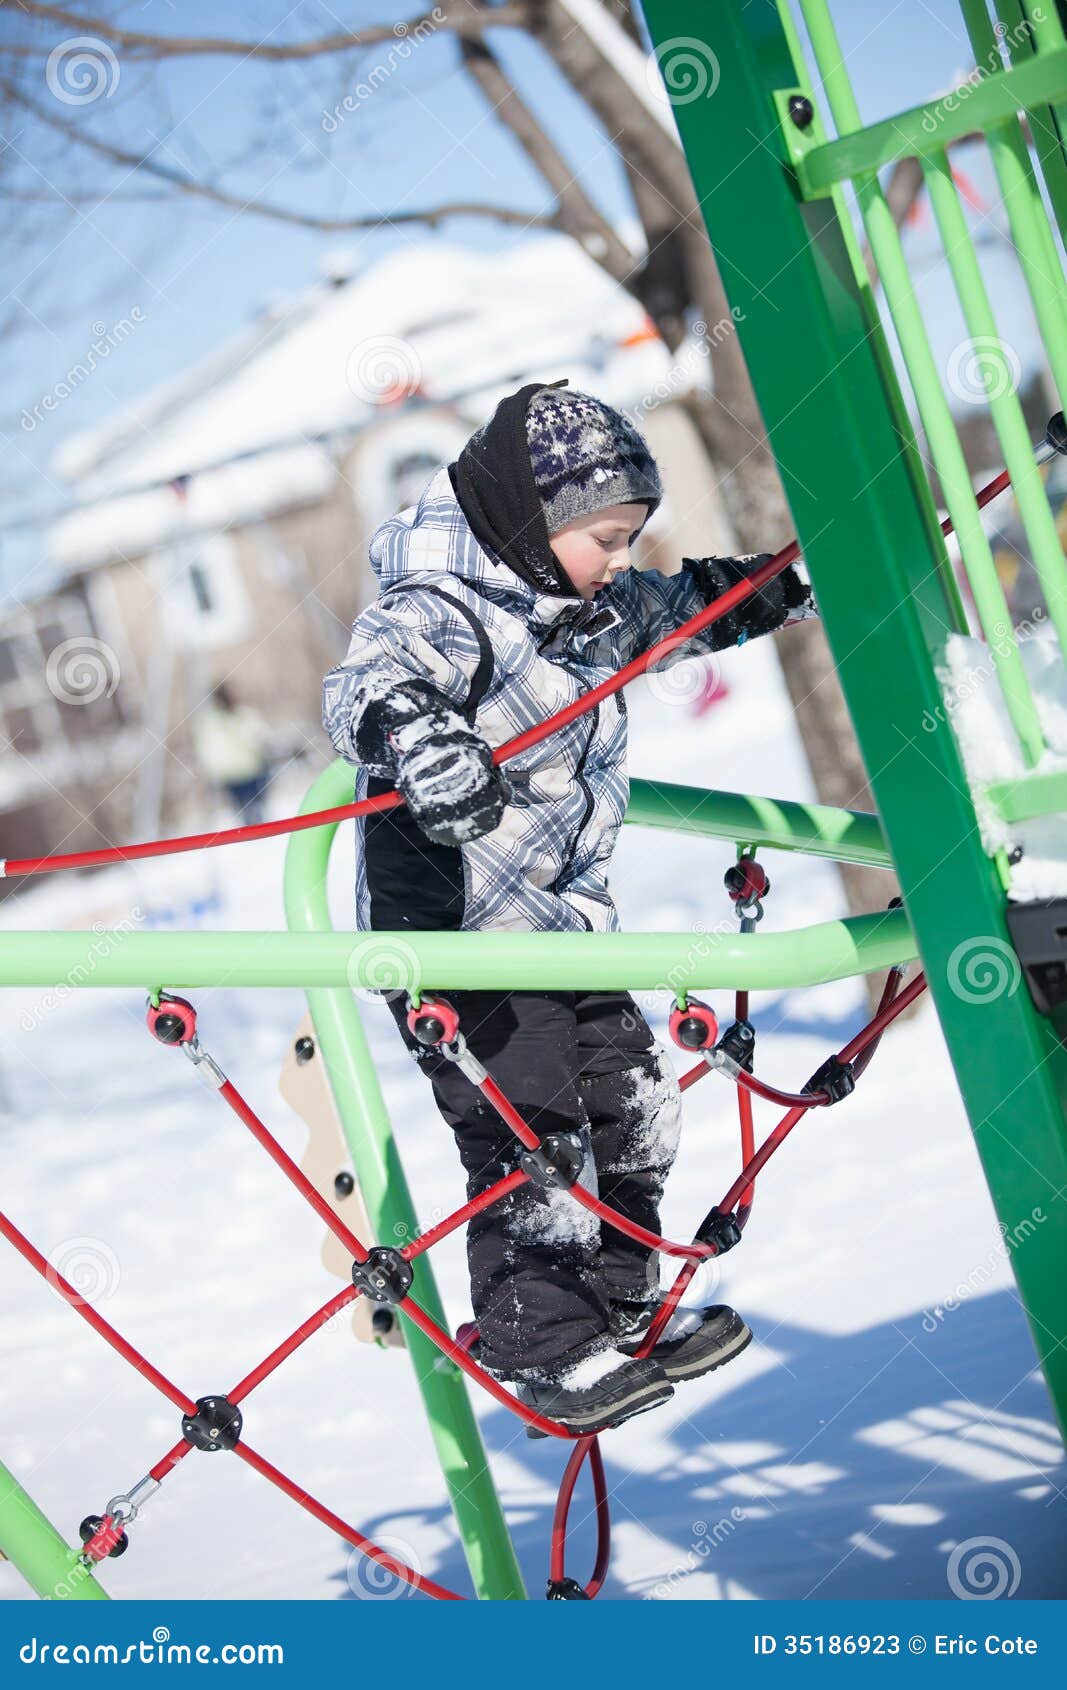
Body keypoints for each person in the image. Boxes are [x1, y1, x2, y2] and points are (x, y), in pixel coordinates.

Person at [322, 379, 815, 1433]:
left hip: (561, 929)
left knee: (635, 1101)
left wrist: (801, 581)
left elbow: (701, 606)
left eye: (630, 536)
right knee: (535, 1134)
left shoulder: (598, 611)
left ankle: (621, 1311)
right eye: (606, 535)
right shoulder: (440, 611)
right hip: (457, 947)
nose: (623, 558)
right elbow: (365, 684)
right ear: (531, 521)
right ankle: (538, 1345)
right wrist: (422, 742)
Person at [192, 683, 273, 826]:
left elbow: (262, 737)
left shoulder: (244, 715)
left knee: (256, 807)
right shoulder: (211, 723)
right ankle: (253, 830)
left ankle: (259, 828)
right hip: (233, 776)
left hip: (252, 771)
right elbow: (208, 751)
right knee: (246, 811)